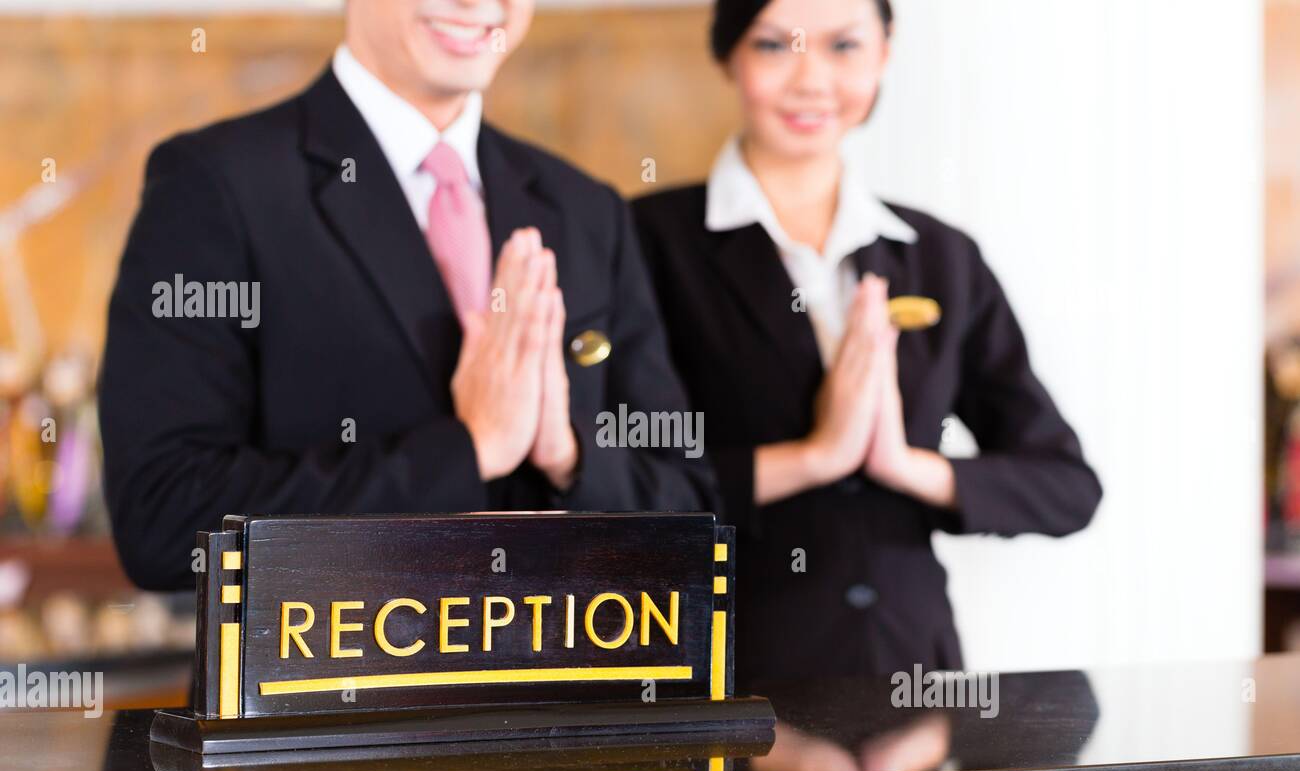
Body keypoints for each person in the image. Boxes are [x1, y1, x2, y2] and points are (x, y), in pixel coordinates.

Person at [100, 0, 714, 592]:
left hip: (564, 691)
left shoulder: (587, 210)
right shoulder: (217, 185)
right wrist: (467, 451)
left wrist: (569, 453)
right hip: (330, 692)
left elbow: (695, 512)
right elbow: (163, 517)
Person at [632, 0, 1102, 684]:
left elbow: (1067, 488)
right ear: (727, 55)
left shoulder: (942, 258)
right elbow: (612, 485)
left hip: (915, 680)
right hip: (718, 682)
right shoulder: (640, 240)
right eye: (774, 46)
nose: (811, 79)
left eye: (845, 47)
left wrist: (905, 466)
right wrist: (812, 458)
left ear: (884, 54)